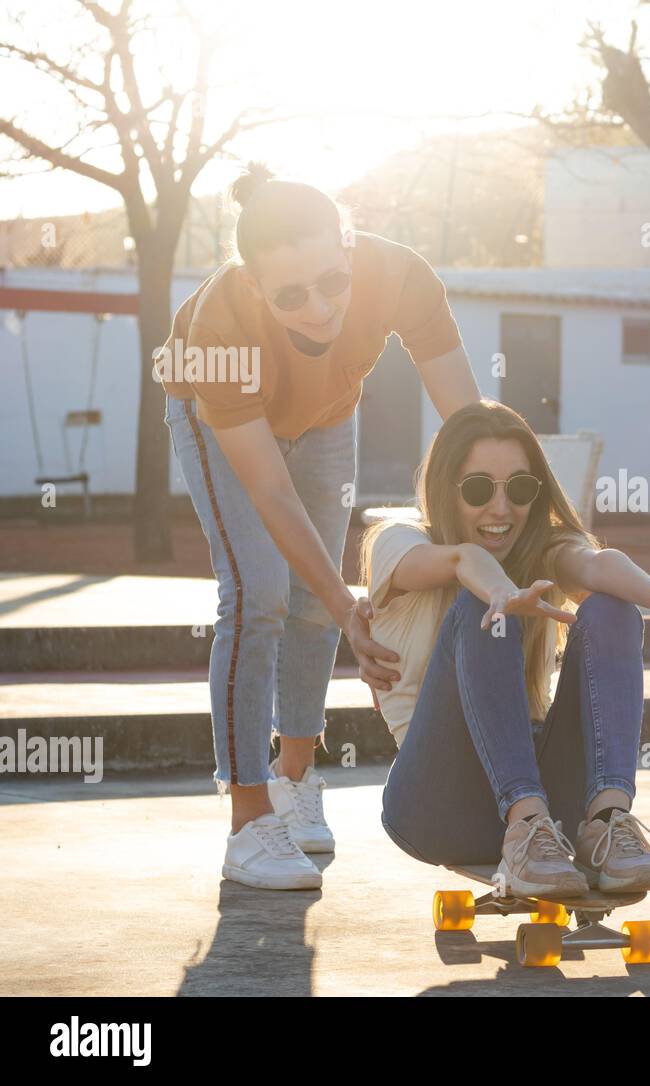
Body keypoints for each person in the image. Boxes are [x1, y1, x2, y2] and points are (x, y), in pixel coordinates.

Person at [160, 162, 480, 891]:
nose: (319, 309)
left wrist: (513, 526)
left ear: (349, 245)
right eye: (291, 296)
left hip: (328, 413)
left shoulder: (400, 276)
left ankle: (294, 781)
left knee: (312, 604)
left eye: (333, 282)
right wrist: (349, 602)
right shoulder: (217, 326)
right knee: (261, 590)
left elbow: (470, 426)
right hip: (219, 419)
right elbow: (271, 492)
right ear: (253, 288)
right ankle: (247, 824)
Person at [362, 399, 650, 896]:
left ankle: (608, 819)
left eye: (519, 489)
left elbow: (598, 565)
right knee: (487, 613)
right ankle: (522, 825)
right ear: (446, 489)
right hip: (435, 804)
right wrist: (500, 591)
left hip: (552, 814)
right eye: (479, 489)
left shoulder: (539, 550)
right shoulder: (398, 542)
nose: (501, 509)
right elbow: (464, 558)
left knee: (613, 608)